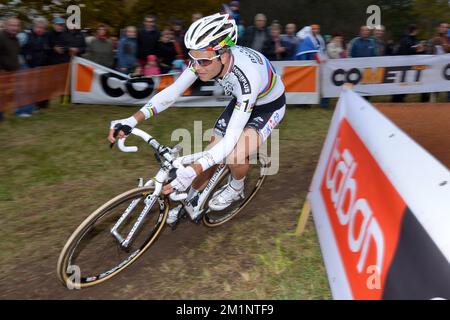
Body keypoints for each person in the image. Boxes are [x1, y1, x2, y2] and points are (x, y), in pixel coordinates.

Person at [108, 13, 286, 225]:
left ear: (224, 54)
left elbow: (231, 140)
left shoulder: (247, 78)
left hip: (267, 107)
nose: (196, 66)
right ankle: (192, 198)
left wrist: (193, 170)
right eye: (192, 59)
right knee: (210, 152)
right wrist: (132, 120)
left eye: (202, 61)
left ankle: (236, 188)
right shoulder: (207, 58)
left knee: (235, 154)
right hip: (242, 102)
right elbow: (172, 93)